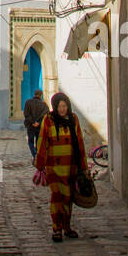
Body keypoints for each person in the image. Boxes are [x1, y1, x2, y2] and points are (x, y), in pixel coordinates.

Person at [34, 91, 89, 242]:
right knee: (57, 197)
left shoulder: (73, 119)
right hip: (54, 167)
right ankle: (56, 228)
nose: (62, 109)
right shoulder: (49, 119)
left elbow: (79, 142)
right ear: (55, 106)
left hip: (71, 166)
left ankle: (67, 226)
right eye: (60, 106)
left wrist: (83, 166)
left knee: (68, 197)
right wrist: (40, 164)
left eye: (65, 106)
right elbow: (42, 141)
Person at [23, 88, 49, 159]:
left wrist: (32, 122)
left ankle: (35, 155)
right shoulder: (44, 105)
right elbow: (46, 116)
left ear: (34, 94)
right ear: (41, 95)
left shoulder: (28, 102)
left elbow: (26, 114)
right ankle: (37, 155)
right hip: (39, 126)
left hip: (30, 126)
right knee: (38, 142)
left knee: (30, 141)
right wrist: (38, 123)